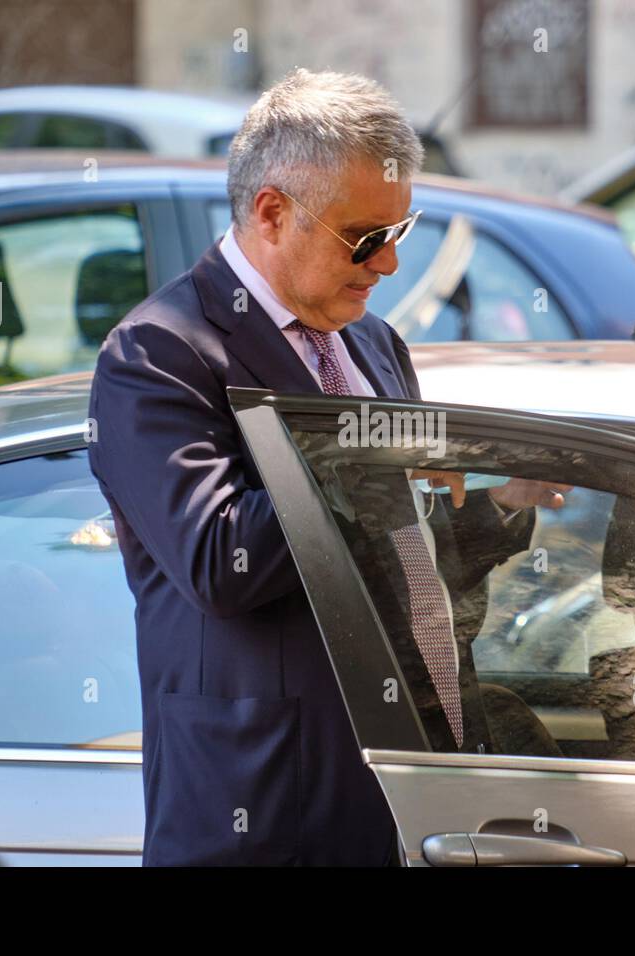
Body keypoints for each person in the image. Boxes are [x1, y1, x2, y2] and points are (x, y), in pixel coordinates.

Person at [87, 68, 562, 866]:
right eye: (365, 238)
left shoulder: (374, 343)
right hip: (268, 811)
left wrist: (499, 511)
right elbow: (220, 562)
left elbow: (398, 555)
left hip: (412, 796)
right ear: (272, 213)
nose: (388, 267)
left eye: (400, 234)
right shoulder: (161, 353)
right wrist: (377, 460)